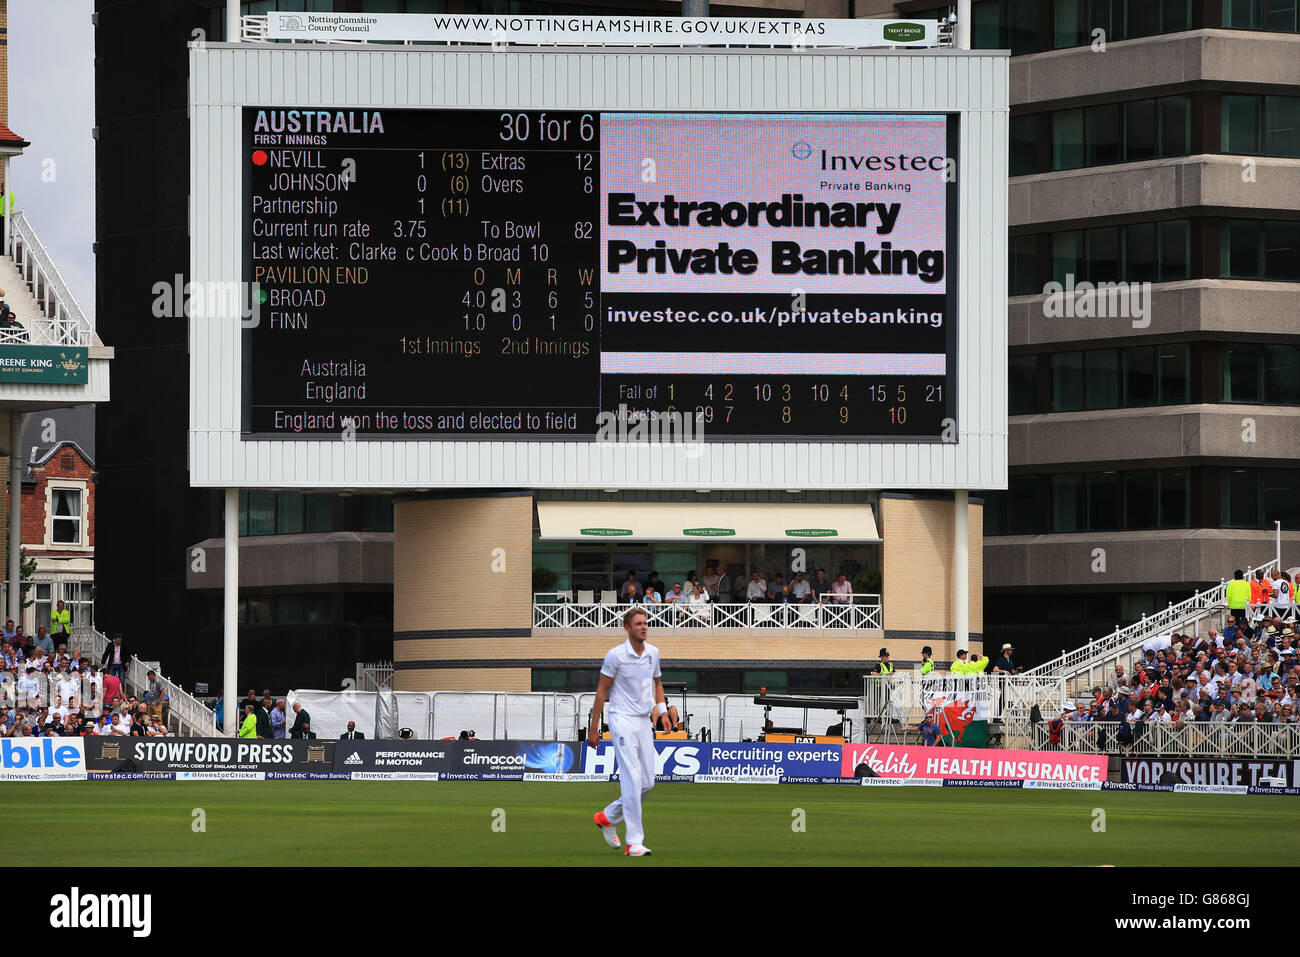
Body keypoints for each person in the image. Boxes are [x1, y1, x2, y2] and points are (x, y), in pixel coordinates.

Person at [588, 606, 668, 858]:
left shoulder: (653, 653)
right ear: (627, 628)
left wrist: (663, 712)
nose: (644, 627)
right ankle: (634, 842)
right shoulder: (615, 655)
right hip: (621, 719)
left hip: (644, 721)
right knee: (632, 779)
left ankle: (607, 817)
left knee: (647, 783)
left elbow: (657, 683)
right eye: (638, 624)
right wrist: (594, 727)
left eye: (645, 623)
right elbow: (602, 691)